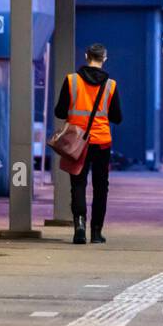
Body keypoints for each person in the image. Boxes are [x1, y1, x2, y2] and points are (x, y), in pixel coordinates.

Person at [54, 43, 122, 245]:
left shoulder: (71, 81)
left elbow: (59, 111)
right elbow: (117, 117)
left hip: (77, 142)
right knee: (101, 187)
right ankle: (96, 232)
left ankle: (80, 228)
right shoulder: (111, 85)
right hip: (101, 142)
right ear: (104, 59)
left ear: (86, 56)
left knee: (78, 184)